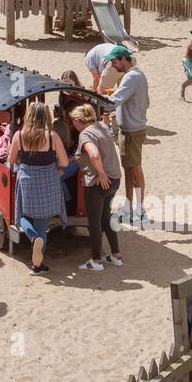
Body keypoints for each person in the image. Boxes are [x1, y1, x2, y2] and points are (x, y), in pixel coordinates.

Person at [8, 102, 73, 274]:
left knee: (21, 215)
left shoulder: (19, 135)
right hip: (48, 181)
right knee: (42, 223)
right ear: (46, 116)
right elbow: (65, 162)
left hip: (27, 180)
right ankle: (37, 265)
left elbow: (11, 159)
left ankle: (32, 236)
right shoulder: (52, 136)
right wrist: (56, 167)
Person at [72, 104, 123, 272]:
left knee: (94, 222)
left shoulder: (85, 134)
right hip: (114, 179)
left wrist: (100, 174)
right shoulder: (100, 125)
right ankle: (116, 256)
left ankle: (96, 261)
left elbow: (93, 154)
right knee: (106, 217)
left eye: (73, 120)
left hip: (100, 183)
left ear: (79, 121)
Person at [106, 45, 149, 223]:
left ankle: (139, 209)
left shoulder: (131, 77)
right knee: (130, 169)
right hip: (130, 129)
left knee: (135, 169)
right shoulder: (136, 75)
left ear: (123, 59)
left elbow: (114, 100)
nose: (112, 65)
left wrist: (94, 101)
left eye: (114, 61)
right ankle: (130, 205)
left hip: (132, 131)